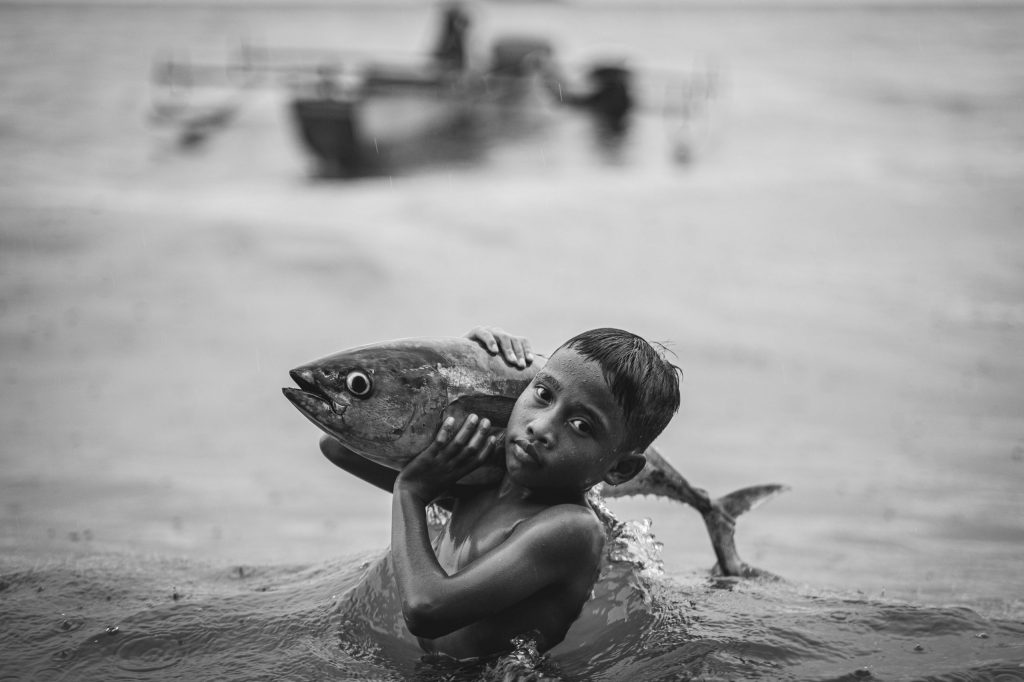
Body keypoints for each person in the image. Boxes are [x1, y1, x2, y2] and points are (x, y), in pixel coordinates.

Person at [319, 326, 681, 660]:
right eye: (542, 394)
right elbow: (337, 446)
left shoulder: (572, 528)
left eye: (580, 425)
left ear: (619, 469)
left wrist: (411, 491)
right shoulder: (486, 483)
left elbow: (425, 610)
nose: (540, 427)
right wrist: (473, 364)